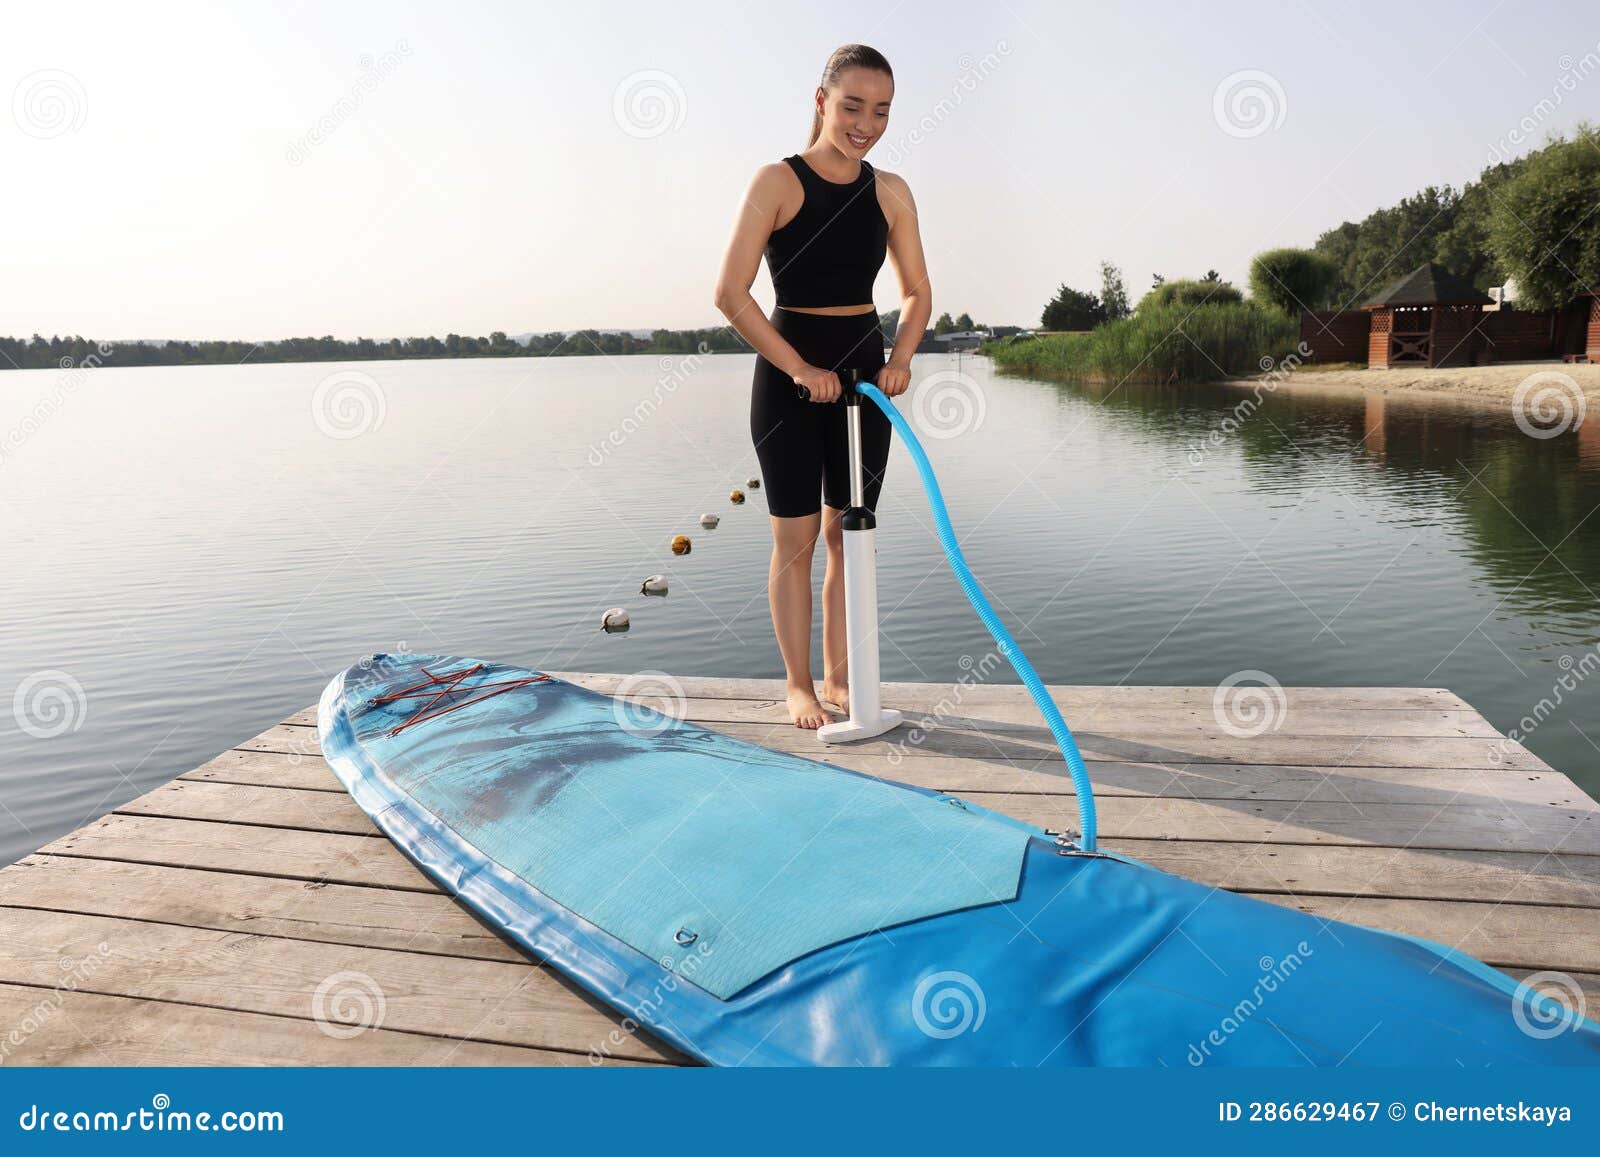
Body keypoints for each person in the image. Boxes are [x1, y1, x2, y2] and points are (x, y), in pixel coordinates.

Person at [713, 43, 931, 729]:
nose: (866, 123)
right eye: (853, 106)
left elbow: (919, 293)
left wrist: (900, 355)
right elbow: (730, 292)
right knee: (798, 539)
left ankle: (841, 679)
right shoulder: (776, 182)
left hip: (866, 372)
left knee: (849, 533)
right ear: (821, 101)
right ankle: (799, 685)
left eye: (882, 111)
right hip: (790, 376)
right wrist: (799, 369)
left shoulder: (891, 191)